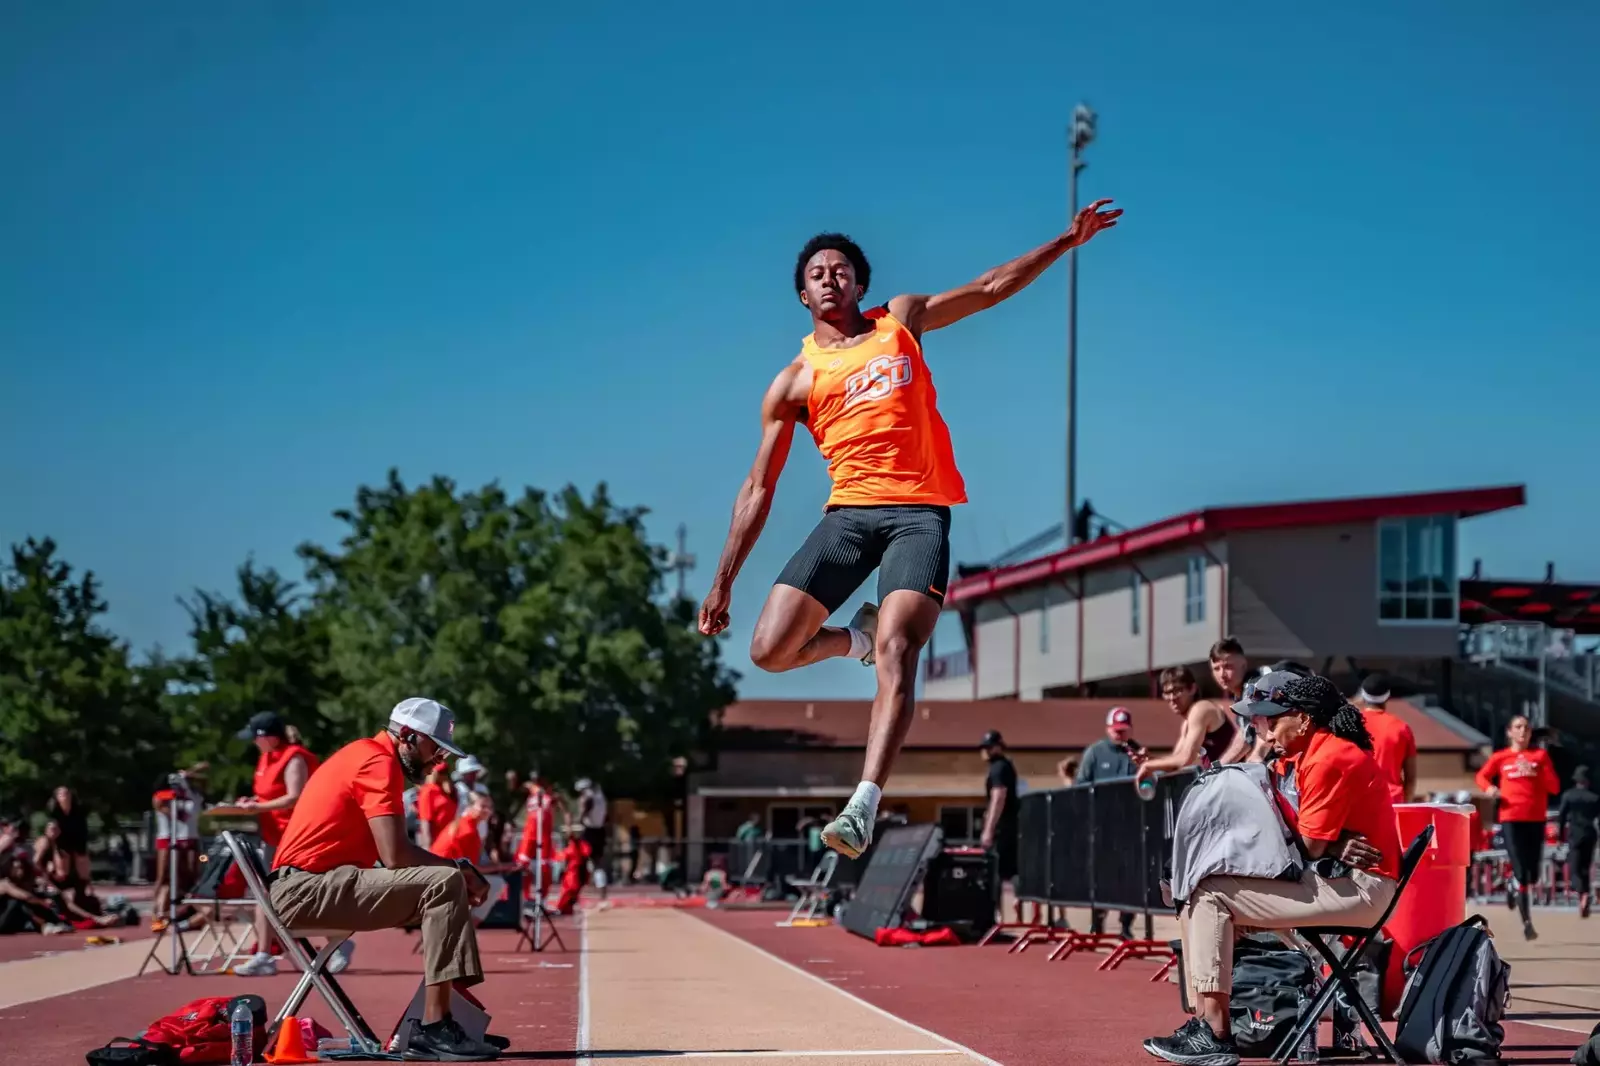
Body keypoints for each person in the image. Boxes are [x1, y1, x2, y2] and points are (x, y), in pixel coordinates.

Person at [698, 202, 1123, 859]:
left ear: (860, 284)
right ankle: (855, 641)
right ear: (803, 294)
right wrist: (723, 581)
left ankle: (863, 804)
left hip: (917, 515)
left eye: (842, 270)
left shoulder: (899, 320)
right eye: (817, 273)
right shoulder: (795, 381)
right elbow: (759, 486)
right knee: (770, 650)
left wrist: (1065, 240)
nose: (830, 278)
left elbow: (989, 288)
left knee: (900, 651)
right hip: (848, 516)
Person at [1143, 675, 1401, 1066]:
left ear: (1302, 718)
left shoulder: (1328, 756)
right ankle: (1206, 1023)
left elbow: (1306, 846)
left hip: (1360, 890)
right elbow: (1297, 832)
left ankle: (1212, 1031)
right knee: (1199, 890)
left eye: (1271, 720)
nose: (1263, 731)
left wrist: (1327, 842)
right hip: (1341, 879)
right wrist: (1334, 841)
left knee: (1208, 893)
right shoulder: (1310, 753)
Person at [266, 697, 503, 1061]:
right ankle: (435, 1027)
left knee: (447, 884)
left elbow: (386, 857)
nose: (440, 761)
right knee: (446, 882)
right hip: (305, 890)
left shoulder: (366, 754)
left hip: (315, 883)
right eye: (436, 749)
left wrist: (456, 870)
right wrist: (461, 868)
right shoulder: (378, 762)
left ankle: (450, 1020)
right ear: (407, 735)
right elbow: (396, 856)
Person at [233, 712, 330, 976]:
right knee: (263, 893)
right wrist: (251, 801)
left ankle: (338, 940)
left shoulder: (294, 757)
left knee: (297, 893)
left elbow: (294, 797)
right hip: (272, 836)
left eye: (256, 737)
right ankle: (264, 954)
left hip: (295, 836)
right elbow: (268, 795)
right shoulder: (266, 758)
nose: (253, 742)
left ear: (269, 737)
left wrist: (257, 807)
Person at [1475, 714, 1561, 940]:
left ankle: (1513, 884)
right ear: (1510, 732)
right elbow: (1482, 777)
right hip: (1511, 818)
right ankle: (1527, 923)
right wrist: (1490, 789)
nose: (1522, 731)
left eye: (1526, 727)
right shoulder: (1501, 757)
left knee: (1532, 876)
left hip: (1536, 819)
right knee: (1522, 872)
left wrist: (1540, 770)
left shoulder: (1540, 756)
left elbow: (1554, 787)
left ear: (1531, 733)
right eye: (1518, 727)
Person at [1076, 708, 1143, 939]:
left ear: (1131, 730)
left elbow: (1149, 783)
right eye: (1115, 730)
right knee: (1100, 876)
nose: (1119, 734)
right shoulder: (1094, 753)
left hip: (1130, 827)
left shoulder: (1138, 753)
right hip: (1101, 827)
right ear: (1107, 729)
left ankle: (1126, 925)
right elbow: (1081, 785)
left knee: (1129, 877)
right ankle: (1097, 921)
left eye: (1123, 730)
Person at [1133, 665, 1243, 793]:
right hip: (1222, 785)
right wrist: (1150, 759)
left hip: (1236, 785)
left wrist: (1149, 766)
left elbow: (1185, 758)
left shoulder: (1201, 709)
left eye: (1177, 690)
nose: (1172, 698)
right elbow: (1175, 762)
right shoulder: (1187, 723)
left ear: (1192, 689)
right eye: (1167, 693)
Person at [1355, 672, 1417, 804]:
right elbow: (1411, 778)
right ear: (1387, 696)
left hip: (1358, 802)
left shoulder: (1351, 725)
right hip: (1392, 802)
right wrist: (1405, 805)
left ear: (1363, 695)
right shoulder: (1401, 728)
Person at [978, 731, 1019, 886]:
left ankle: (997, 902)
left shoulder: (998, 767)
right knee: (1005, 873)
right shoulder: (1004, 766)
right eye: (984, 747)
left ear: (999, 747)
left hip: (1001, 829)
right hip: (1008, 827)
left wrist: (989, 829)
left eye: (989, 747)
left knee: (995, 874)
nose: (985, 751)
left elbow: (999, 796)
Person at [1557, 767, 1598, 918]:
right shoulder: (1594, 798)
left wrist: (1560, 836)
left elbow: (1561, 816)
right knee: (1586, 867)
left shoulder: (1568, 796)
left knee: (1574, 867)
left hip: (1574, 834)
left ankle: (1582, 893)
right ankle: (1585, 895)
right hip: (1590, 834)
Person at [575, 778, 609, 892]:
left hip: (590, 831)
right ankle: (601, 888)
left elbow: (586, 808)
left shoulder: (588, 797)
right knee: (597, 861)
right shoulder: (601, 796)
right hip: (600, 830)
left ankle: (580, 885)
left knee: (580, 858)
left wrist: (579, 820)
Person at [415, 765, 458, 851]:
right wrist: (428, 846)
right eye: (441, 772)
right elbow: (425, 820)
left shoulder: (446, 791)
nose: (444, 775)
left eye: (446, 772)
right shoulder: (428, 791)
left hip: (447, 838)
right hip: (435, 839)